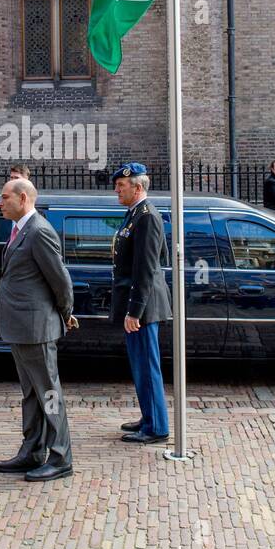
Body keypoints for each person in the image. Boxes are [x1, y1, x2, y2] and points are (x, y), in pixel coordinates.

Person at [0, 178, 76, 482]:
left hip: (36, 328)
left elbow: (61, 281)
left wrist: (66, 314)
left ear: (23, 198)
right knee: (31, 393)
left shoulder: (39, 231)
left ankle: (60, 456)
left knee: (49, 393)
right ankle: (32, 450)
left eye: (4, 198)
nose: (0, 203)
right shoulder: (19, 230)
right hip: (20, 328)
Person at [110, 162, 171, 444]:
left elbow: (146, 268)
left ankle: (156, 427)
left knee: (148, 366)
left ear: (137, 187)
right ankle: (148, 416)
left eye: (121, 186)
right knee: (140, 365)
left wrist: (135, 310)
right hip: (139, 304)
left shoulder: (146, 216)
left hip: (144, 307)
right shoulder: (134, 214)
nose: (117, 191)